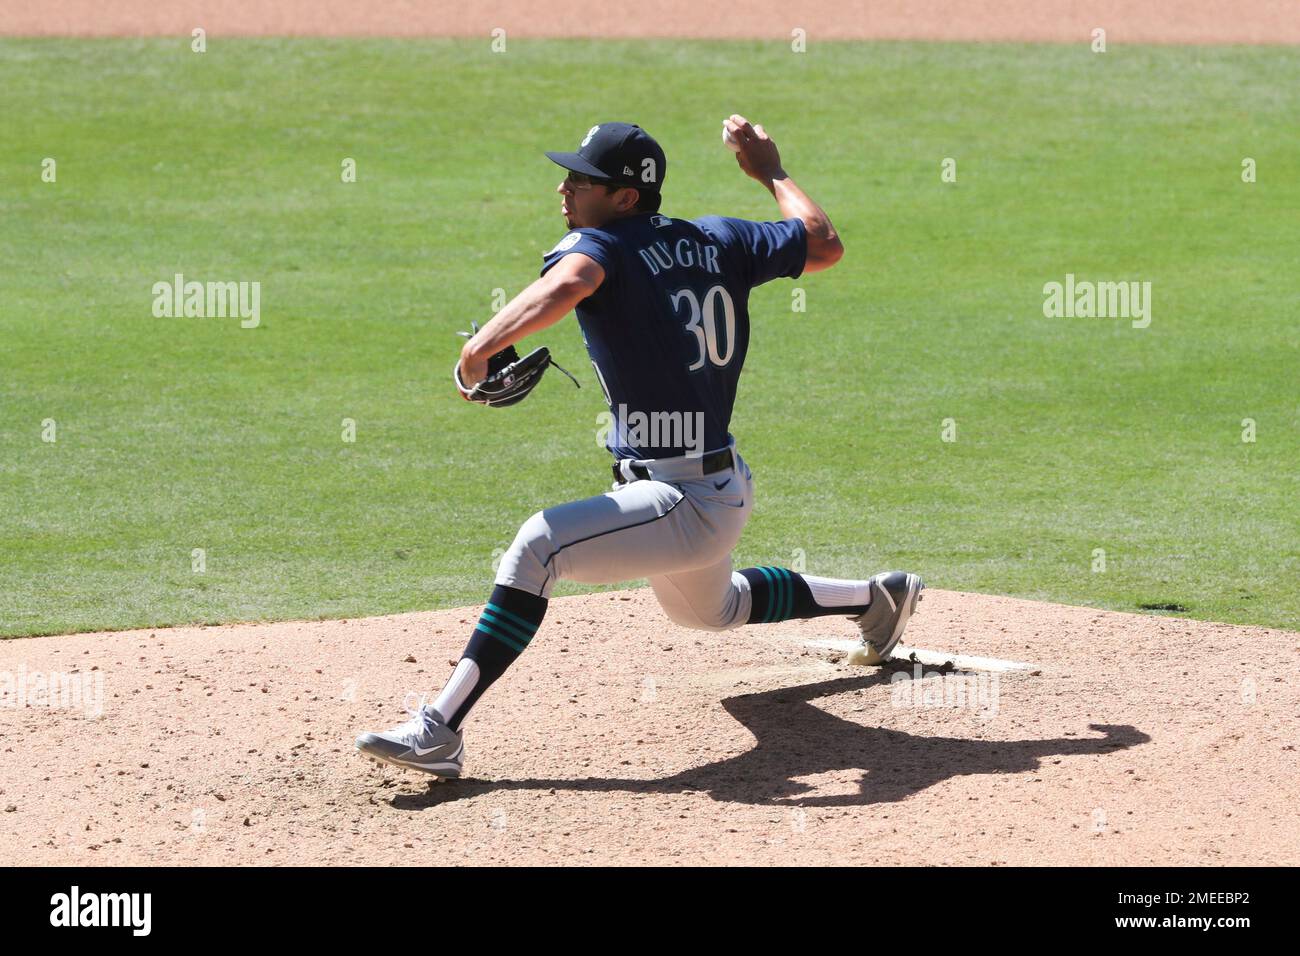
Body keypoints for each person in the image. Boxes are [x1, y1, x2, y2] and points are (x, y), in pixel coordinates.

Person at [355, 116, 923, 777]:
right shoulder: (721, 238)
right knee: (715, 610)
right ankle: (876, 599)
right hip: (709, 489)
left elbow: (569, 285)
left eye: (583, 179)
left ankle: (440, 729)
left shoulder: (603, 248)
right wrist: (770, 170)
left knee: (538, 546)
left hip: (682, 497)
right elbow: (823, 244)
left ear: (625, 197)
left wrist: (479, 346)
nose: (564, 188)